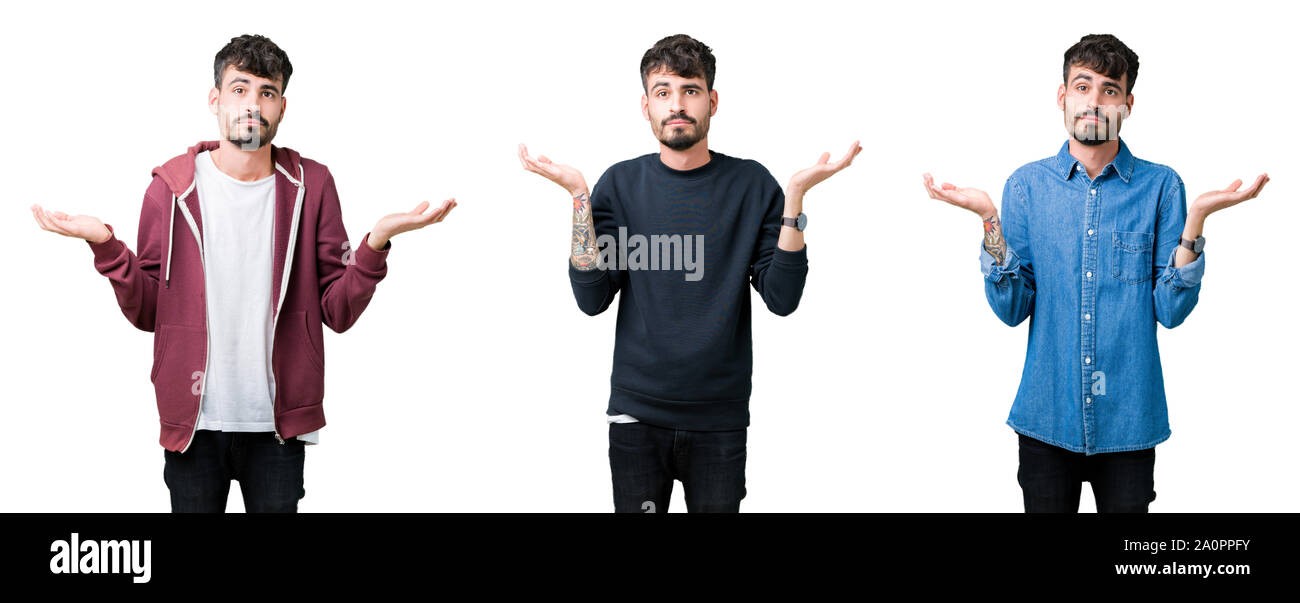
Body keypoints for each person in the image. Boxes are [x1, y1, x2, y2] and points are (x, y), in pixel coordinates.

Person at [30, 34, 457, 512]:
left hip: (276, 427)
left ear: (282, 106)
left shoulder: (312, 186)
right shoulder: (169, 190)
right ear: (215, 99)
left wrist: (375, 244)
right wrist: (105, 246)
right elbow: (151, 310)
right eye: (239, 88)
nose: (252, 103)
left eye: (266, 92)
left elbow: (336, 311)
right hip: (193, 425)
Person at [922, 34, 1269, 513]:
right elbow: (1011, 309)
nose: (1094, 100)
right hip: (1046, 420)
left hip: (1128, 424)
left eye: (1109, 90)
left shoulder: (1162, 186)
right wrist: (989, 222)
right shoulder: (1025, 186)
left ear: (1127, 104)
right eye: (1082, 86)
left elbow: (1170, 311)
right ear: (1063, 97)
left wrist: (1195, 225)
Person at [519, 34, 860, 512]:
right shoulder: (620, 184)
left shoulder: (752, 184)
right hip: (637, 416)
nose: (676, 105)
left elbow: (783, 298)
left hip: (719, 419)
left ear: (712, 101)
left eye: (690, 90)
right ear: (645, 106)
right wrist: (580, 198)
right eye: (663, 92)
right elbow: (592, 298)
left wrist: (794, 201)